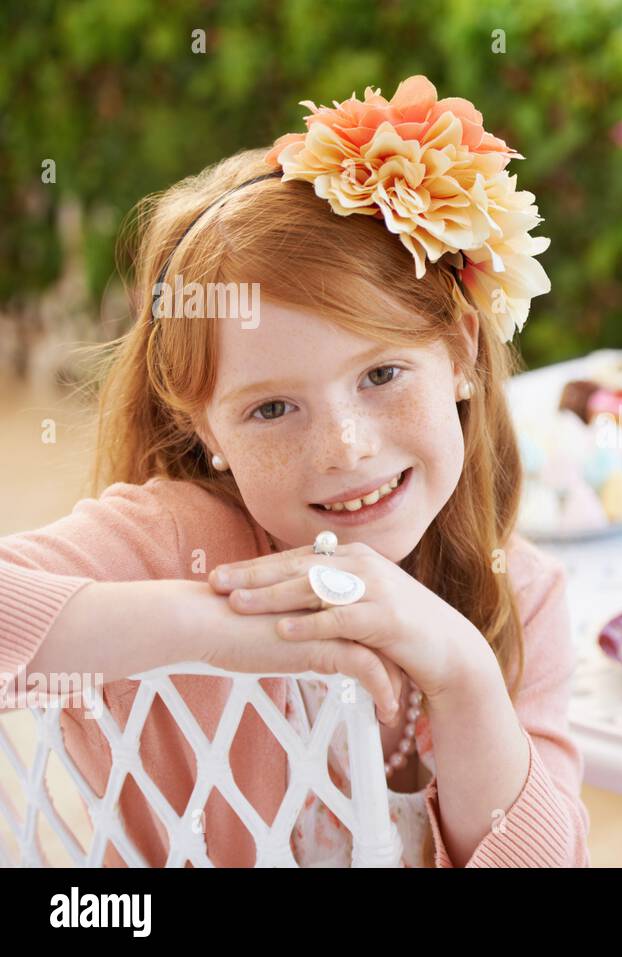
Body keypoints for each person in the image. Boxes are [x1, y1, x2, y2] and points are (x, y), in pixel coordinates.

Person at [0, 76, 587, 867]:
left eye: (381, 375)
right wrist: (226, 629)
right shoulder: (180, 538)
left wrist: (464, 674)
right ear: (202, 426)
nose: (345, 447)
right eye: (272, 409)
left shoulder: (521, 595)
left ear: (460, 354)